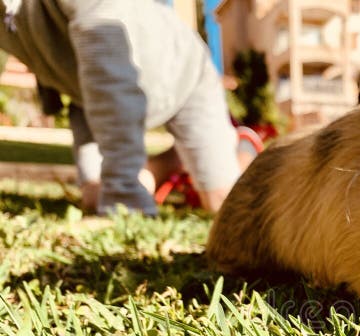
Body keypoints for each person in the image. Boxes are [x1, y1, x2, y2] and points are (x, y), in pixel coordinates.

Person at [0, 0, 248, 215]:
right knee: (94, 198)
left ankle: (244, 147)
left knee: (222, 202)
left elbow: (112, 80)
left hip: (184, 77)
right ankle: (175, 159)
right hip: (86, 96)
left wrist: (125, 192)